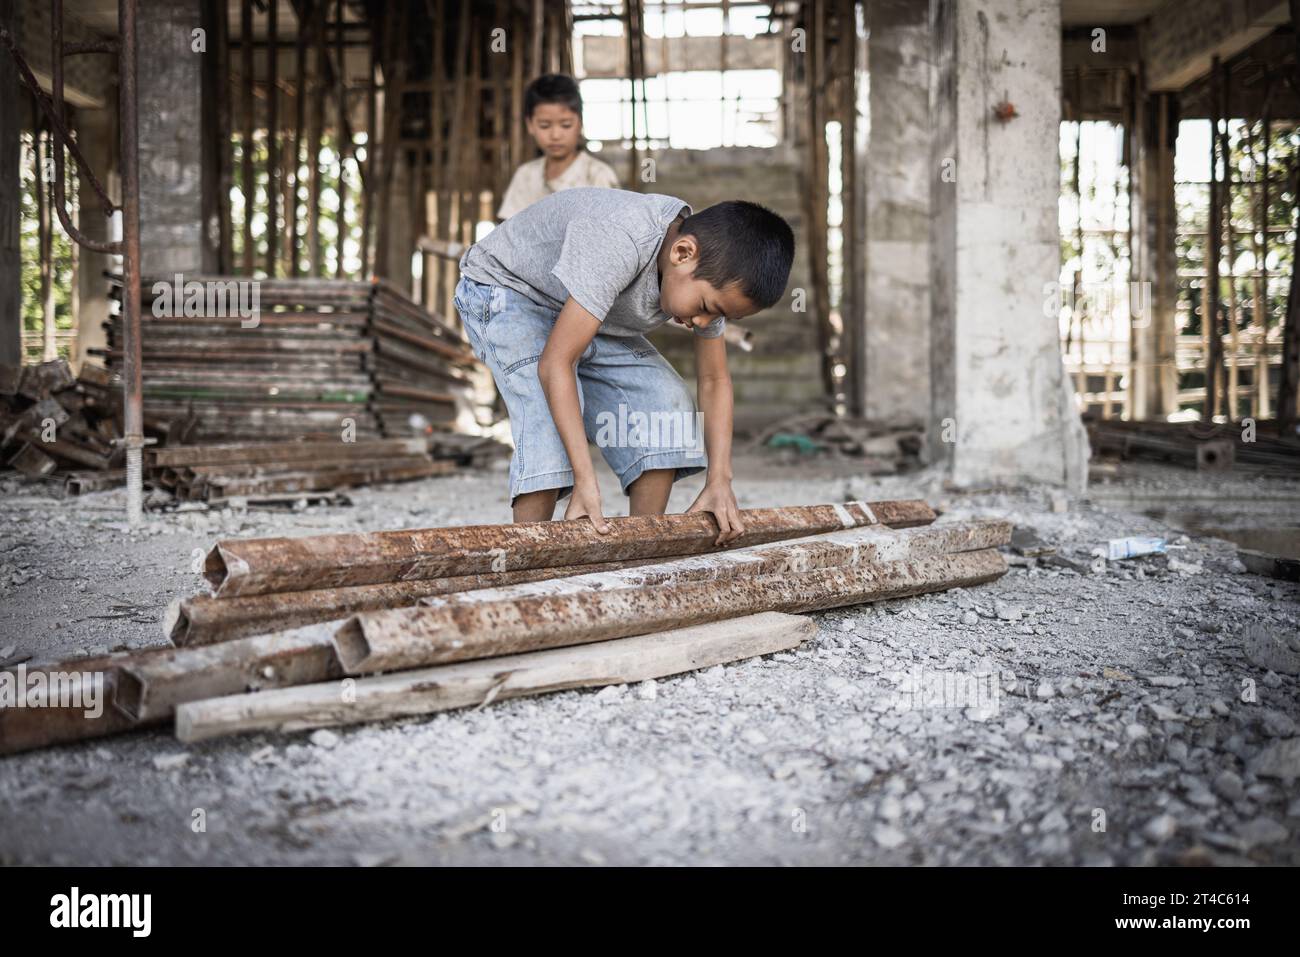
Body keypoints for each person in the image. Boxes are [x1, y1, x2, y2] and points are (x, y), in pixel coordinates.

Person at [454, 187, 795, 543]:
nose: (706, 323)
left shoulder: (713, 275)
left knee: (664, 399)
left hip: (585, 311)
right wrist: (586, 480)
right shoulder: (622, 238)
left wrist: (720, 479)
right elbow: (556, 364)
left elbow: (713, 378)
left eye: (719, 315)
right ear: (682, 253)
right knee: (546, 416)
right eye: (708, 308)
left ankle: (641, 547)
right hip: (508, 292)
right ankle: (526, 553)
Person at [497, 74, 620, 220]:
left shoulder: (598, 175)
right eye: (545, 125)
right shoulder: (525, 176)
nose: (555, 135)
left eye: (566, 125)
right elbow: (508, 230)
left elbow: (609, 233)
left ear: (580, 123)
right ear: (530, 125)